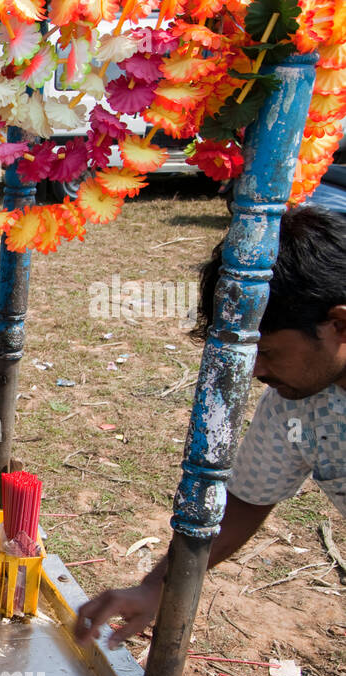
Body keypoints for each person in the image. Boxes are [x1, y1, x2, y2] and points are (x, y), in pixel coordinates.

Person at [74, 204, 346, 646]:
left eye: (270, 352)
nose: (254, 371)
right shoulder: (293, 403)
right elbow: (247, 501)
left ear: (339, 324)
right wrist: (155, 587)